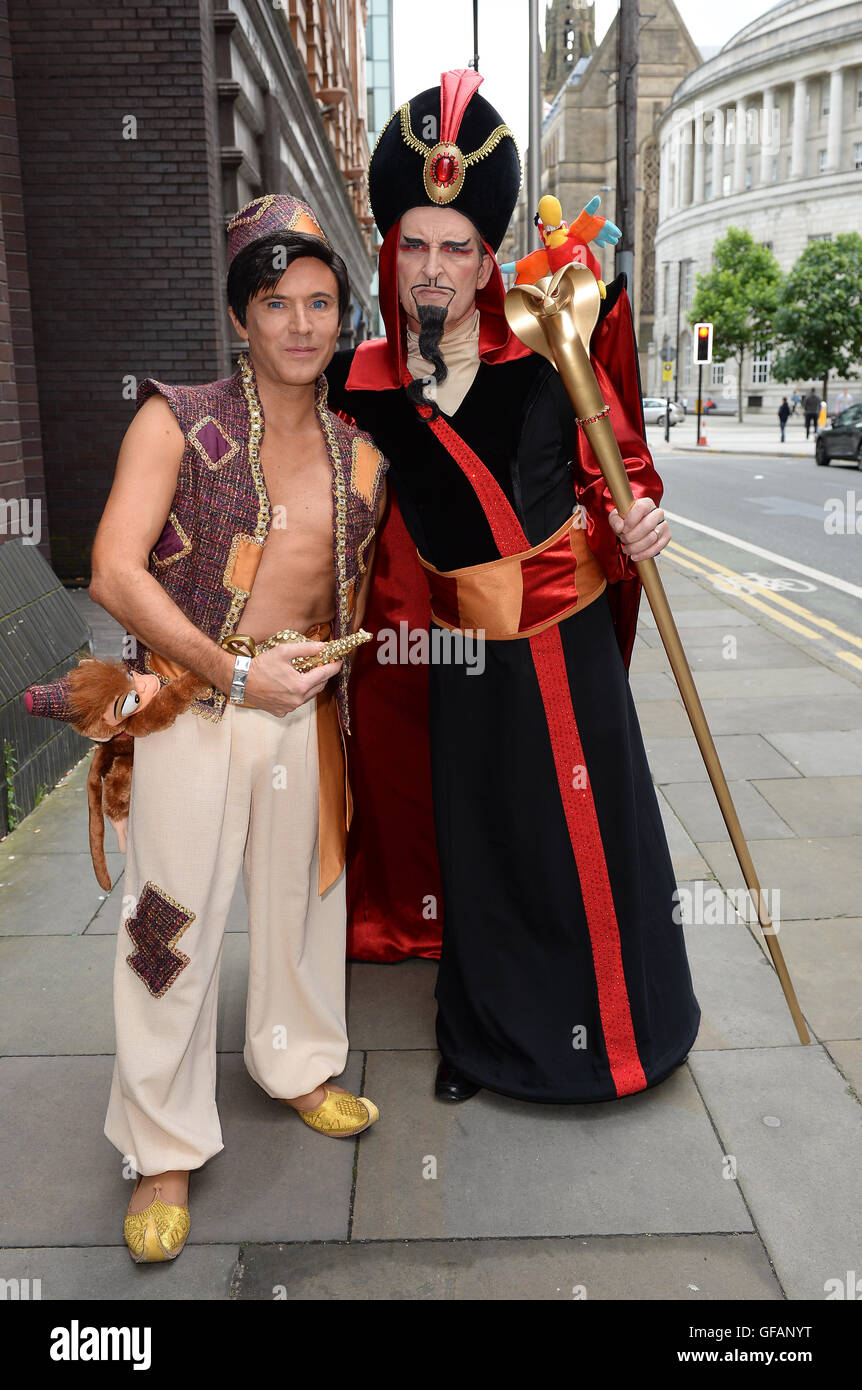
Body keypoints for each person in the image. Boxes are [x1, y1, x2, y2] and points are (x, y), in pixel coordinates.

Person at [328, 70, 700, 1107]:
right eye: (415, 242)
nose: (434, 268)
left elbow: (619, 471)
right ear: (388, 250)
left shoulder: (545, 348)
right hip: (462, 660)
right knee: (485, 846)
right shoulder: (361, 385)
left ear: (488, 255)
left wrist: (637, 521)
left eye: (457, 245)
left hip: (569, 644)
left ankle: (625, 1031)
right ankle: (485, 1034)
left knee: (582, 834)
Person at [88, 194, 387, 1263]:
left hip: (302, 712)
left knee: (303, 902)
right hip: (189, 705)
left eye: (320, 302)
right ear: (240, 317)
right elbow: (114, 568)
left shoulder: (362, 452)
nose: (302, 324)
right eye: (277, 303)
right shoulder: (174, 418)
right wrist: (229, 672)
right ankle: (159, 1142)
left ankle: (297, 1059)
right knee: (167, 924)